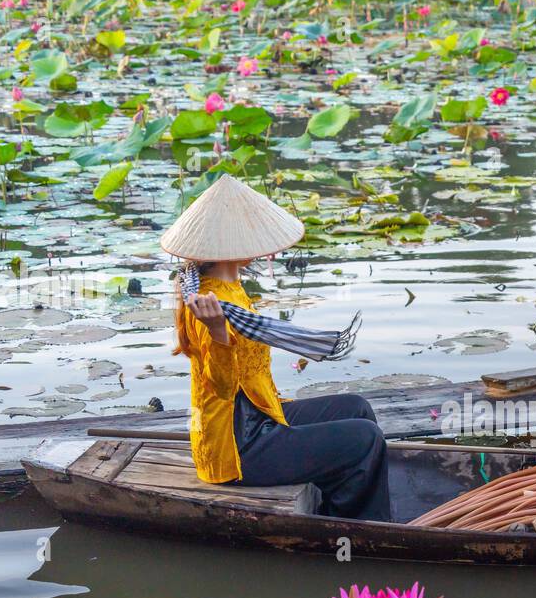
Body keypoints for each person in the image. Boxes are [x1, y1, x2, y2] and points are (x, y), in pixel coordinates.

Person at [161, 175, 391, 521]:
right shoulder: (209, 304)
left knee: (357, 408)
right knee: (365, 438)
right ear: (234, 247)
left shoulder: (232, 289)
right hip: (239, 447)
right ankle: (357, 531)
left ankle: (346, 508)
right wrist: (217, 333)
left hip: (260, 414)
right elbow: (220, 388)